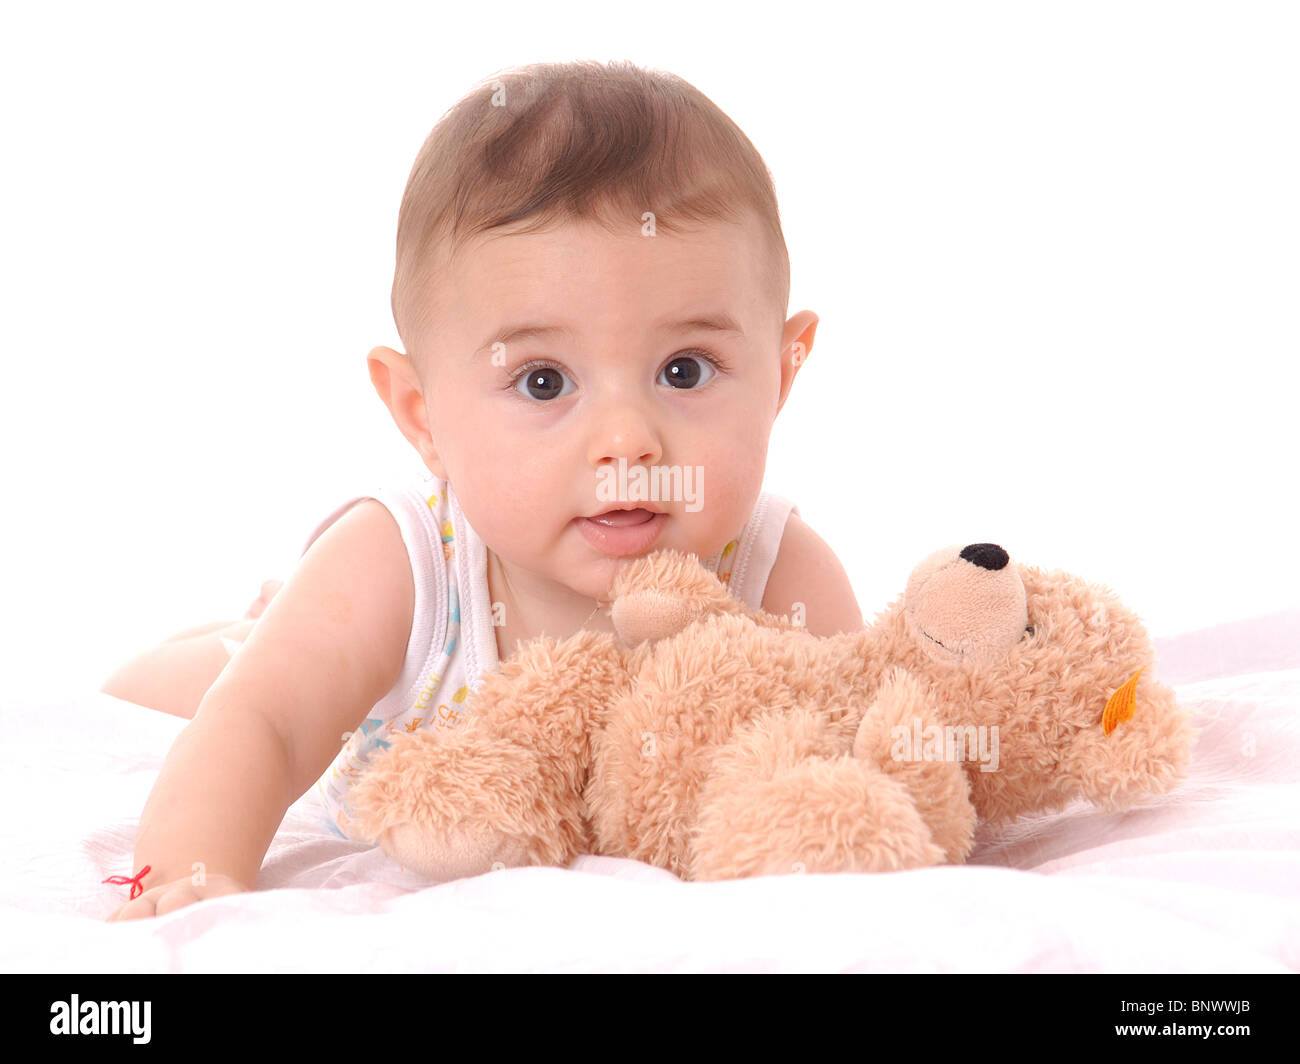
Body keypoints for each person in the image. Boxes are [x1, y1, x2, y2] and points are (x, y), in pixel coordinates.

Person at [100, 59, 863, 920]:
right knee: (199, 682)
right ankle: (249, 628)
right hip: (349, 675)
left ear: (782, 372)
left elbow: (848, 741)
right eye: (543, 382)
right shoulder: (404, 561)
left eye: (684, 370)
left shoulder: (779, 575)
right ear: (423, 415)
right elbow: (264, 727)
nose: (626, 443)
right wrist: (192, 876)